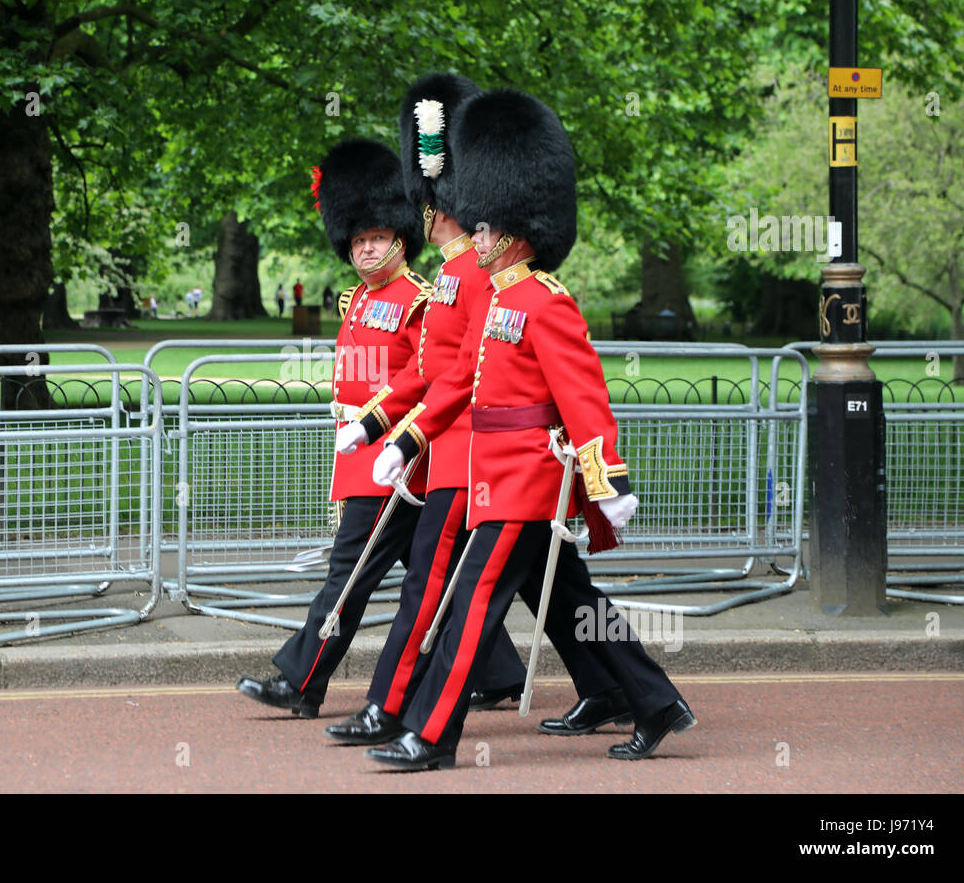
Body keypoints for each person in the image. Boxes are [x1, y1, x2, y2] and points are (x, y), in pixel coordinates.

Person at [364, 90, 694, 770]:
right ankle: (652, 700)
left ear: (513, 231)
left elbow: (583, 398)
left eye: (484, 230)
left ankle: (429, 736)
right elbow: (458, 383)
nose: (473, 238)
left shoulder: (545, 304)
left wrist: (607, 480)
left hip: (528, 479)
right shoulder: (501, 299)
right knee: (566, 596)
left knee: (473, 603)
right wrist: (405, 439)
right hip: (495, 475)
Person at [325, 73, 536, 746]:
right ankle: (634, 690)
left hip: (479, 456)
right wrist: (388, 429)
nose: (429, 212)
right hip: (449, 451)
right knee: (468, 590)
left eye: (433, 201)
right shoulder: (454, 272)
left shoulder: (480, 275)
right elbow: (434, 374)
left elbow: (464, 377)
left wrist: (402, 435)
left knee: (442, 590)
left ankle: (399, 712)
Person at [235, 138, 430, 719]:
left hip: (394, 462)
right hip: (357, 458)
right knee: (431, 578)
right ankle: (496, 672)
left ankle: (301, 682)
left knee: (346, 579)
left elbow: (422, 380)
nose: (367, 249)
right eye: (359, 239)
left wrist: (383, 437)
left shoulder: (417, 301)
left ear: (401, 238)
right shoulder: (353, 301)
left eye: (378, 238)